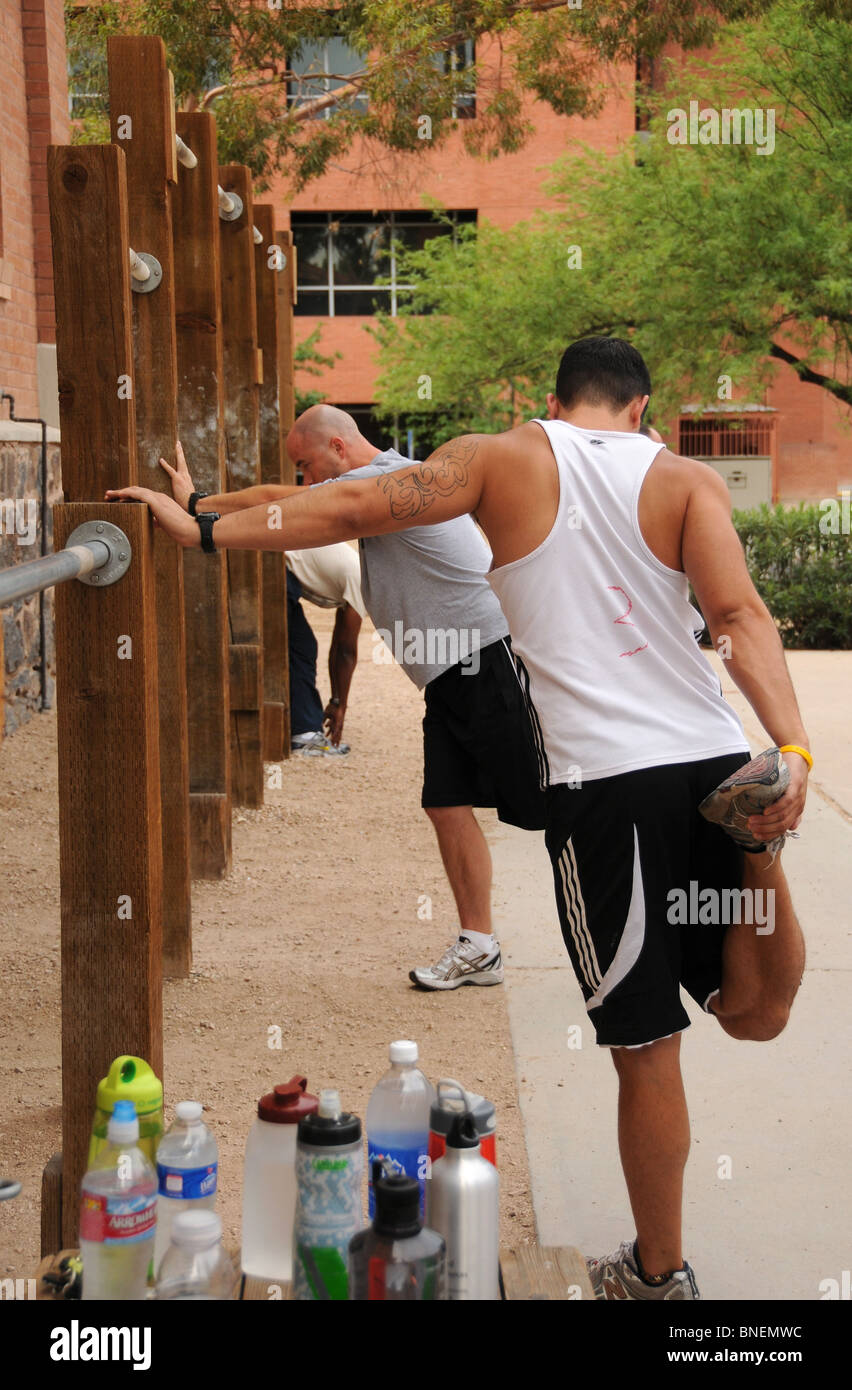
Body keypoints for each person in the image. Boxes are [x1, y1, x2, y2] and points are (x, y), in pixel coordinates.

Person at [108, 337, 809, 1299]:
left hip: (611, 786)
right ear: (642, 409)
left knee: (648, 1047)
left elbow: (348, 501)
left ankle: (659, 1276)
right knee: (755, 1013)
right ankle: (758, 842)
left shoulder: (499, 457)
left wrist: (200, 528)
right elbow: (741, 616)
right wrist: (793, 750)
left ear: (553, 400)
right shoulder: (686, 478)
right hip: (717, 755)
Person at [145, 421, 547, 991]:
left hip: (489, 664)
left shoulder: (394, 484)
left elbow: (321, 519)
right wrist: (198, 501)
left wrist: (202, 532)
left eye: (308, 465)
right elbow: (278, 501)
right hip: (448, 676)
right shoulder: (366, 481)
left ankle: (643, 911)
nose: (304, 479)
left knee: (555, 805)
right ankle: (480, 946)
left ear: (339, 447)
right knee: (446, 802)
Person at [285, 543, 365, 755]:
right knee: (301, 649)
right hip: (279, 569)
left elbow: (338, 645)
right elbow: (346, 652)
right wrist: (341, 707)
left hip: (282, 567)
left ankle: (299, 725)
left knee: (302, 645)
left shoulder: (361, 572)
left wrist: (336, 700)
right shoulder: (364, 583)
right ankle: (304, 734)